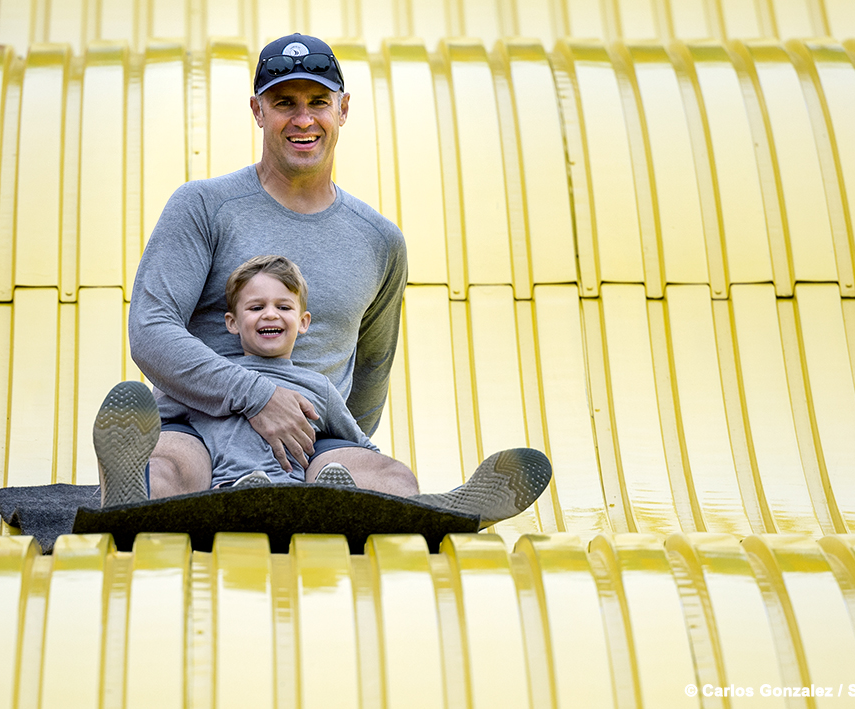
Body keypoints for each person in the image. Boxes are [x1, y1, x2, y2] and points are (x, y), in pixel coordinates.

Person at [91, 32, 552, 528]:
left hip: (308, 440)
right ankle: (130, 492)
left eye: (318, 102)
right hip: (198, 424)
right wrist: (258, 397)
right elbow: (151, 329)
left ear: (344, 108)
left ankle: (433, 510)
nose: (303, 119)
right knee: (168, 470)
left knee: (392, 479)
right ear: (257, 111)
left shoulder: (380, 241)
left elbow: (371, 367)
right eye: (284, 103)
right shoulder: (203, 207)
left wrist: (330, 440)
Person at [158, 254, 379, 489]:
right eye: (256, 307)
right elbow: (159, 419)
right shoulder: (214, 382)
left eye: (283, 307)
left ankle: (331, 495)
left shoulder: (318, 387)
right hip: (225, 487)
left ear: (303, 322)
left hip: (295, 491)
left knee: (330, 474)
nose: (271, 314)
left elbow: (361, 445)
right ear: (232, 322)